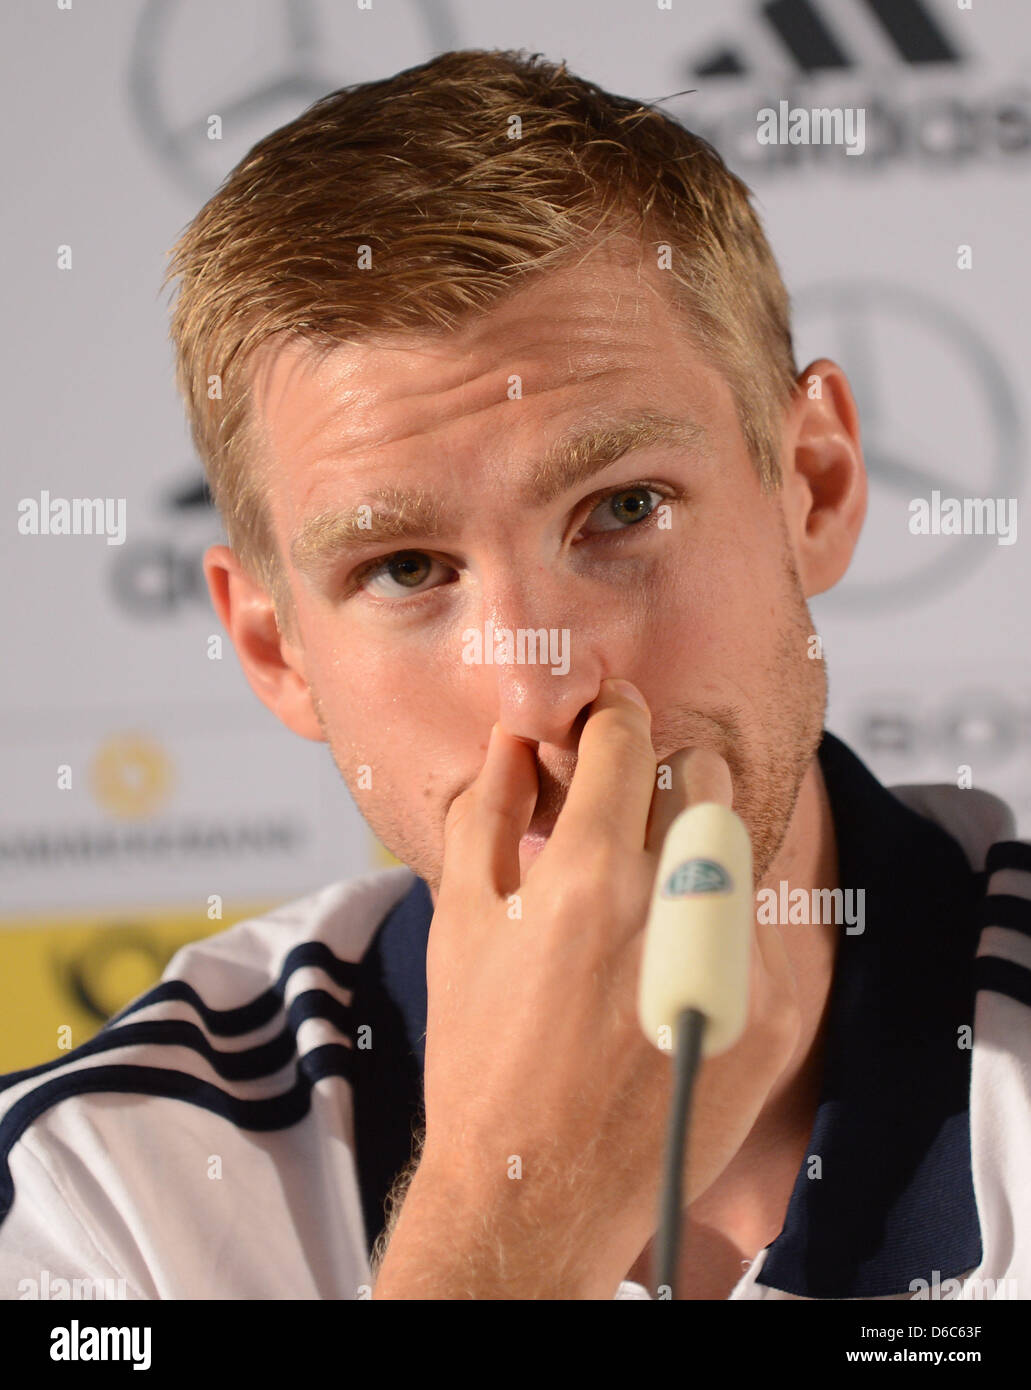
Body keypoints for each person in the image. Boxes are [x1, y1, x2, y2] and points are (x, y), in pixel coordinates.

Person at [1, 48, 1028, 1302]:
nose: (541, 695)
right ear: (277, 650)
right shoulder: (94, 1187)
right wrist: (513, 1219)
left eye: (623, 507)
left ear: (809, 487)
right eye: (404, 569)